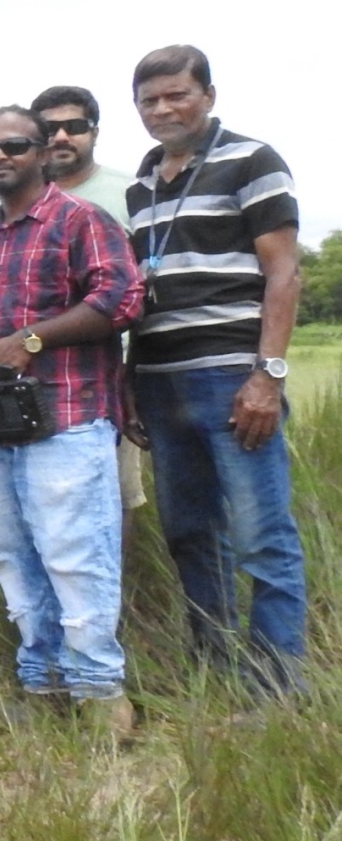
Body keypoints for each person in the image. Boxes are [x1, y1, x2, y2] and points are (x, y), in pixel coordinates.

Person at [125, 45, 307, 696]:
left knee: (262, 536)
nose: (164, 108)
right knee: (190, 534)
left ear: (208, 94)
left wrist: (269, 374)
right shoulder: (140, 185)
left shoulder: (252, 160)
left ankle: (278, 687)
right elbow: (142, 294)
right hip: (162, 381)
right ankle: (215, 672)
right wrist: (133, 384)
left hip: (232, 377)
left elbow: (283, 273)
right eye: (150, 99)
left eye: (178, 94)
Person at [0, 105, 144, 732]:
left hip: (68, 418)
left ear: (42, 152)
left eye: (13, 145)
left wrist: (34, 339)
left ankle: (99, 689)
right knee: (16, 557)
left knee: (76, 553)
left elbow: (122, 297)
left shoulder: (79, 218)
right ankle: (41, 681)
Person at [24, 85, 150, 516]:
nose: (61, 137)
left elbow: (141, 291)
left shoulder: (131, 193)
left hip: (111, 381)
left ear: (94, 133)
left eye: (74, 127)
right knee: (42, 505)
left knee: (114, 498)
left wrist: (135, 376)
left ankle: (111, 587)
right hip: (34, 381)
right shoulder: (12, 202)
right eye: (49, 128)